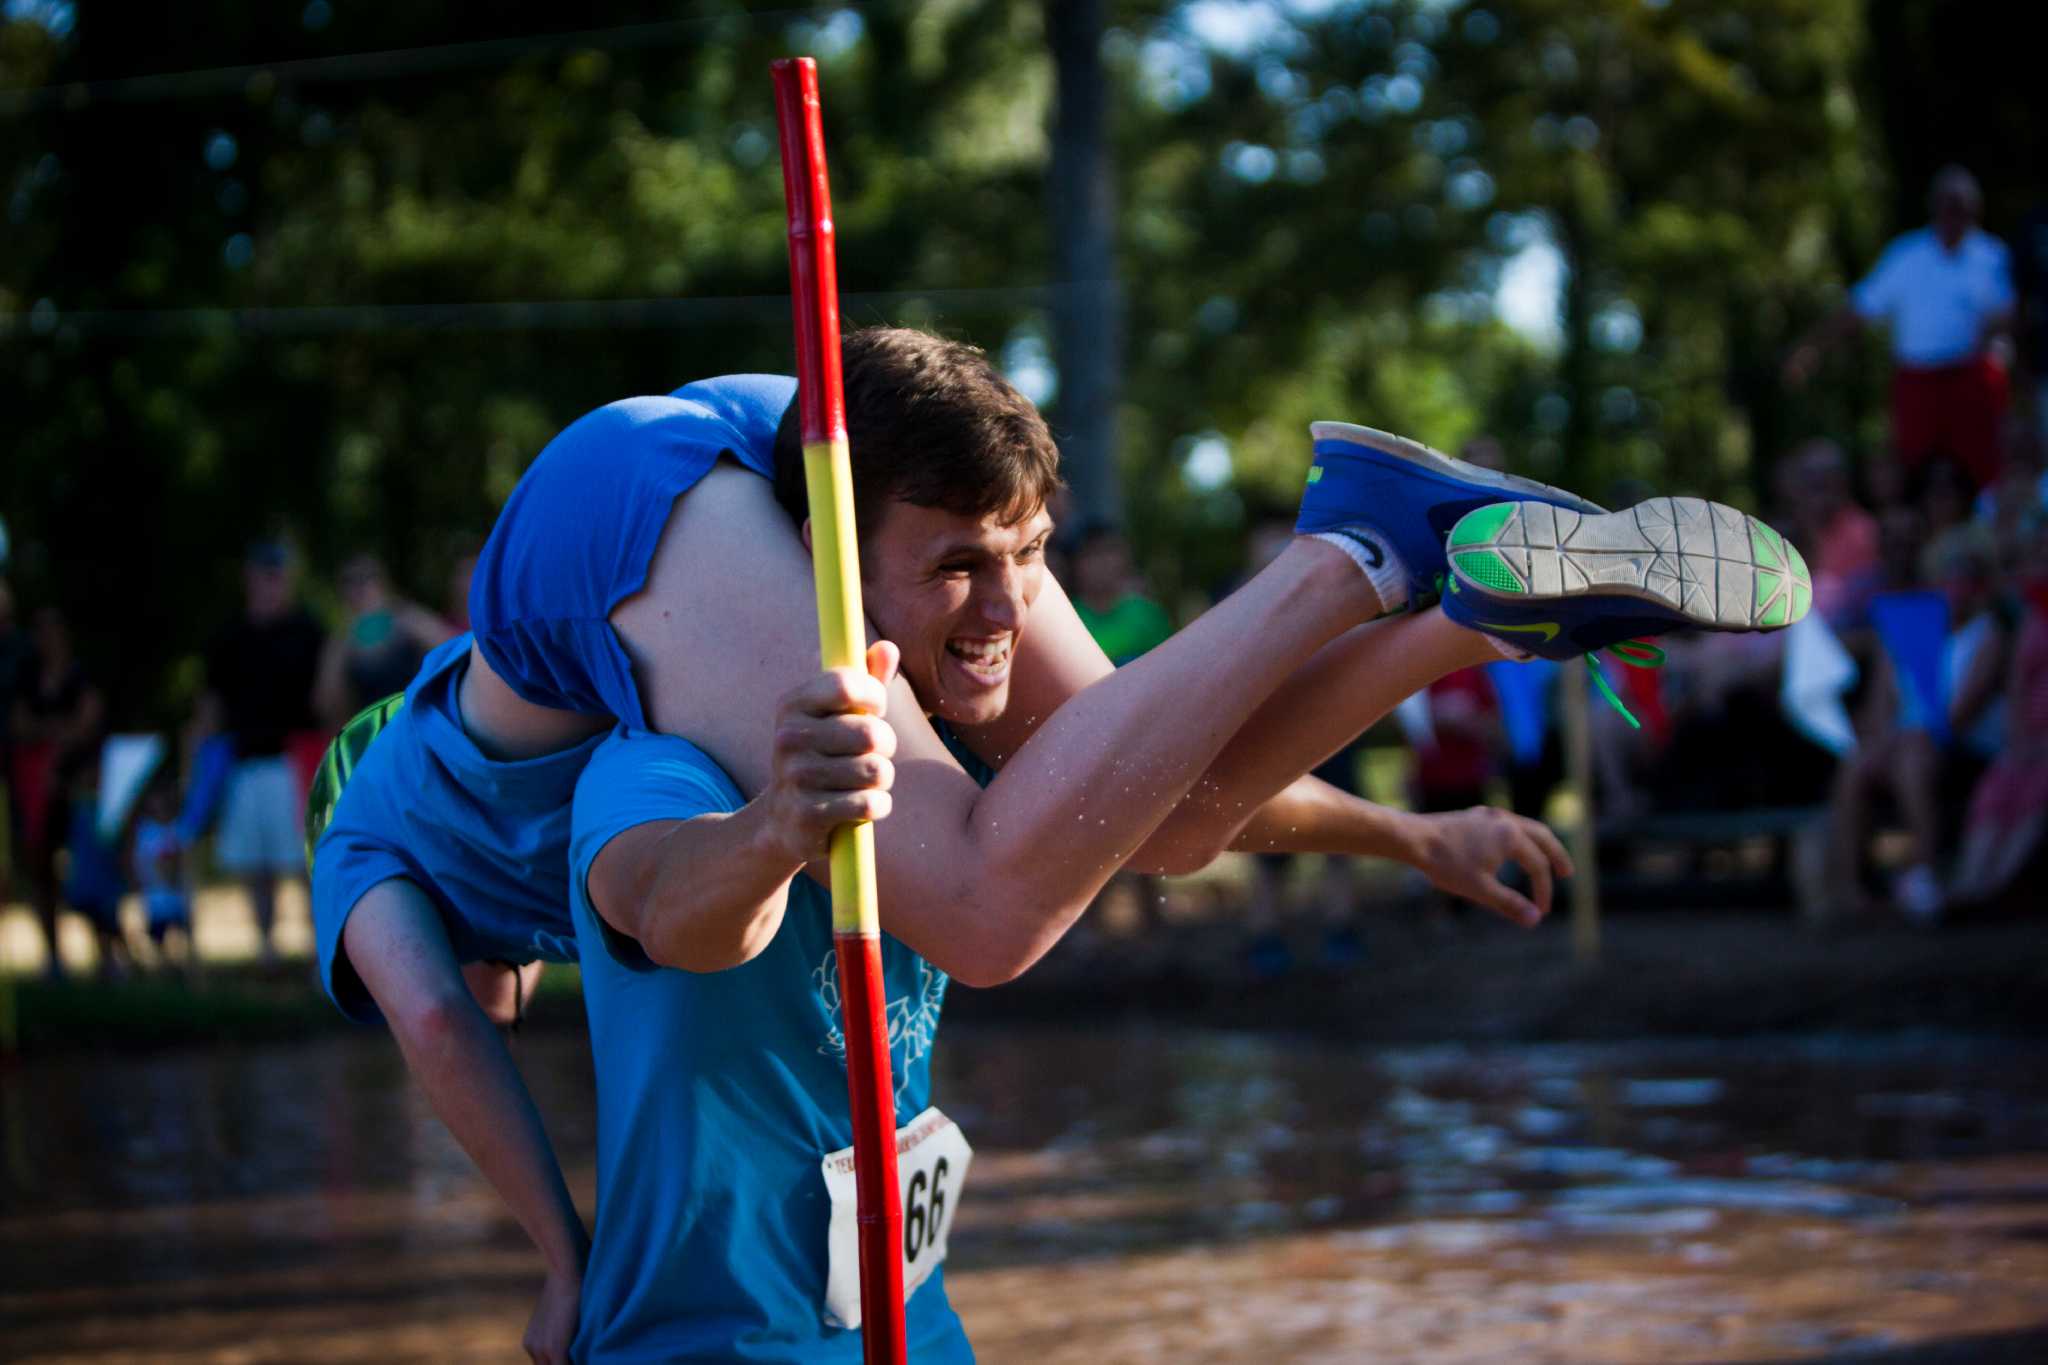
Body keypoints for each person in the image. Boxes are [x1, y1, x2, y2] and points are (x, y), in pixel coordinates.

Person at [311, 334, 1805, 1360]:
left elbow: (443, 1020)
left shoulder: (373, 834)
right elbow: (1160, 806)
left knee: (978, 904)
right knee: (1154, 815)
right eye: (976, 567)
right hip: (746, 440)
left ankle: (1350, 545)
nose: (1003, 601)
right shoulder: (636, 750)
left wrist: (560, 1262)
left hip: (644, 499)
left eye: (1011, 562)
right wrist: (1404, 831)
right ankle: (1441, 604)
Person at [1786, 165, 2017, 491]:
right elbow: (1859, 309)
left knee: (1984, 466)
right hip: (1918, 383)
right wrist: (1811, 349)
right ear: (1934, 207)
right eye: (1947, 204)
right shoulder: (1906, 256)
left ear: (1974, 210)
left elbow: (2008, 316)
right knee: (1915, 468)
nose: (1953, 214)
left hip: (1973, 378)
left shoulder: (1992, 256)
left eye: (1960, 206)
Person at [193, 541, 326, 966]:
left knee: (305, 862)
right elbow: (210, 705)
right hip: (242, 762)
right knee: (254, 866)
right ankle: (266, 951)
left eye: (277, 575)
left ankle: (316, 951)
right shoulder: (229, 635)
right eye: (263, 574)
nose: (270, 583)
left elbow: (327, 701)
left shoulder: (309, 630)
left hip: (295, 761)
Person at [12, 606, 104, 979]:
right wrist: (58, 732)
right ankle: (53, 956)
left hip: (77, 790)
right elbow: (19, 725)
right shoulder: (28, 678)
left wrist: (50, 738)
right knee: (41, 868)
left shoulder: (79, 676)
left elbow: (86, 722)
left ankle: (104, 951)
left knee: (90, 868)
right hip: (38, 793)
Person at [313, 554, 456, 730]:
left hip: (417, 727)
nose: (361, 587)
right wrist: (341, 641)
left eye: (368, 577)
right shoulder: (341, 640)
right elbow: (326, 704)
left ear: (383, 584)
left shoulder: (406, 621)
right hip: (373, 736)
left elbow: (451, 648)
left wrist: (406, 615)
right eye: (351, 581)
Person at [134, 774, 196, 975]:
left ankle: (185, 965)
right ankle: (163, 966)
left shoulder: (179, 828)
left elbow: (185, 857)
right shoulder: (145, 831)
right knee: (158, 931)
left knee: (181, 929)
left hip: (178, 895)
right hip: (155, 896)